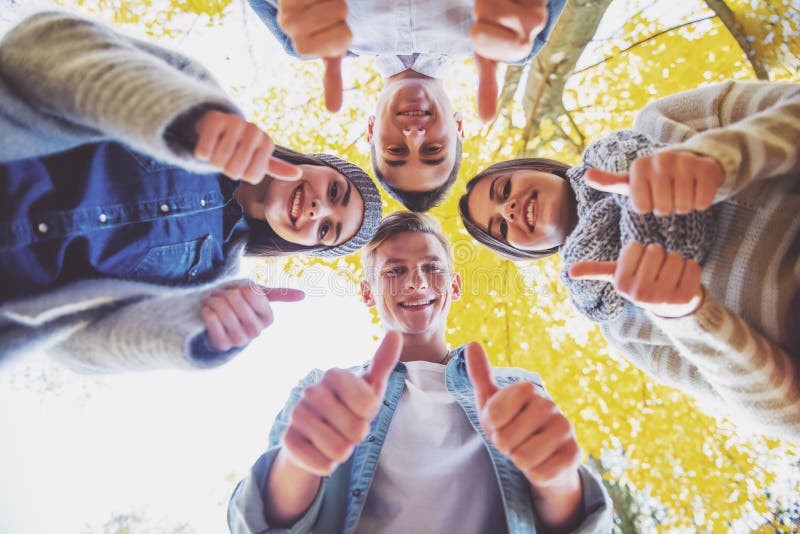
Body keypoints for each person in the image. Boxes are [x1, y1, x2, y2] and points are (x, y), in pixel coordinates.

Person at [0, 12, 382, 372]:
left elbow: (78, 350)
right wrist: (188, 115)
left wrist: (201, 333)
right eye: (335, 191)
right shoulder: (199, 98)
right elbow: (43, 44)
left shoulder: (211, 284)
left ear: (303, 246)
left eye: (327, 231)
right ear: (317, 163)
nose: (319, 209)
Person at [228, 212, 612, 533]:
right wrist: (300, 463)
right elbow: (254, 523)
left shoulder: (518, 390)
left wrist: (558, 480)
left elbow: (578, 520)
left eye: (432, 267)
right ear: (367, 292)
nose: (417, 281)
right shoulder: (325, 393)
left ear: (454, 284)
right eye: (395, 270)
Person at [458, 81, 800, 440]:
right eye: (499, 227)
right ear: (526, 254)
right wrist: (689, 316)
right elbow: (787, 416)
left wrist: (721, 160)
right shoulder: (625, 327)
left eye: (504, 189)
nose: (508, 209)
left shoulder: (663, 123)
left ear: (537, 167)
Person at [248, 0, 567, 211]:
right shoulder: (517, 38)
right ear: (458, 126)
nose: (414, 134)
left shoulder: (305, 36)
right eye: (433, 150)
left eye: (396, 151)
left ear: (371, 128)